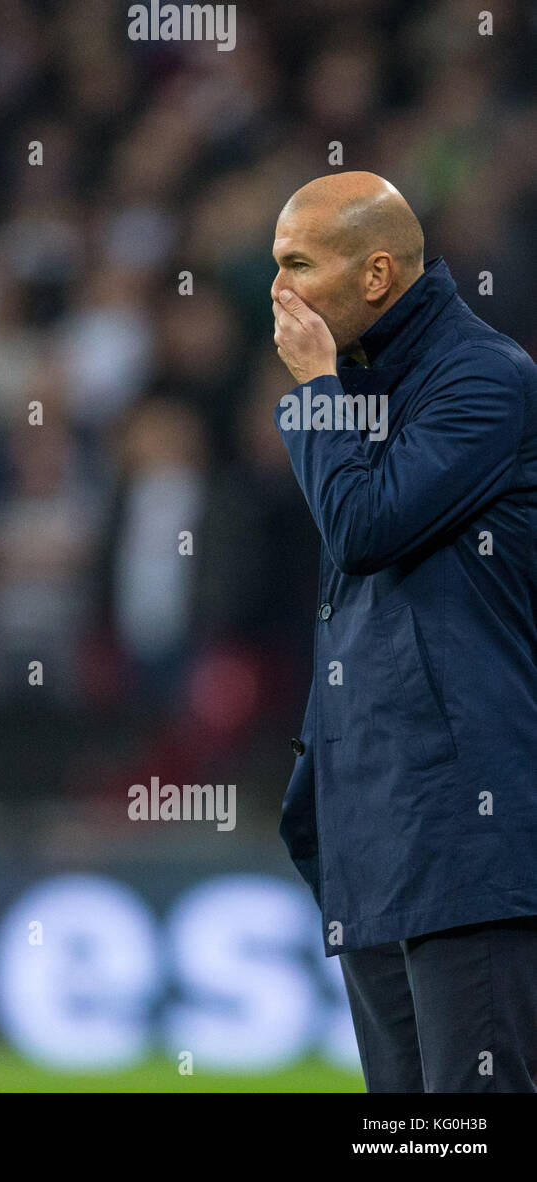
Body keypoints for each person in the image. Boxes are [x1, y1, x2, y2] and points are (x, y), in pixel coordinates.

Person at [270, 171, 537, 1092]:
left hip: (466, 824)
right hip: (376, 821)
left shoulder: (485, 379)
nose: (279, 293)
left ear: (376, 273)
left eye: (298, 263)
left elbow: (366, 527)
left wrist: (312, 388)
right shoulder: (362, 388)